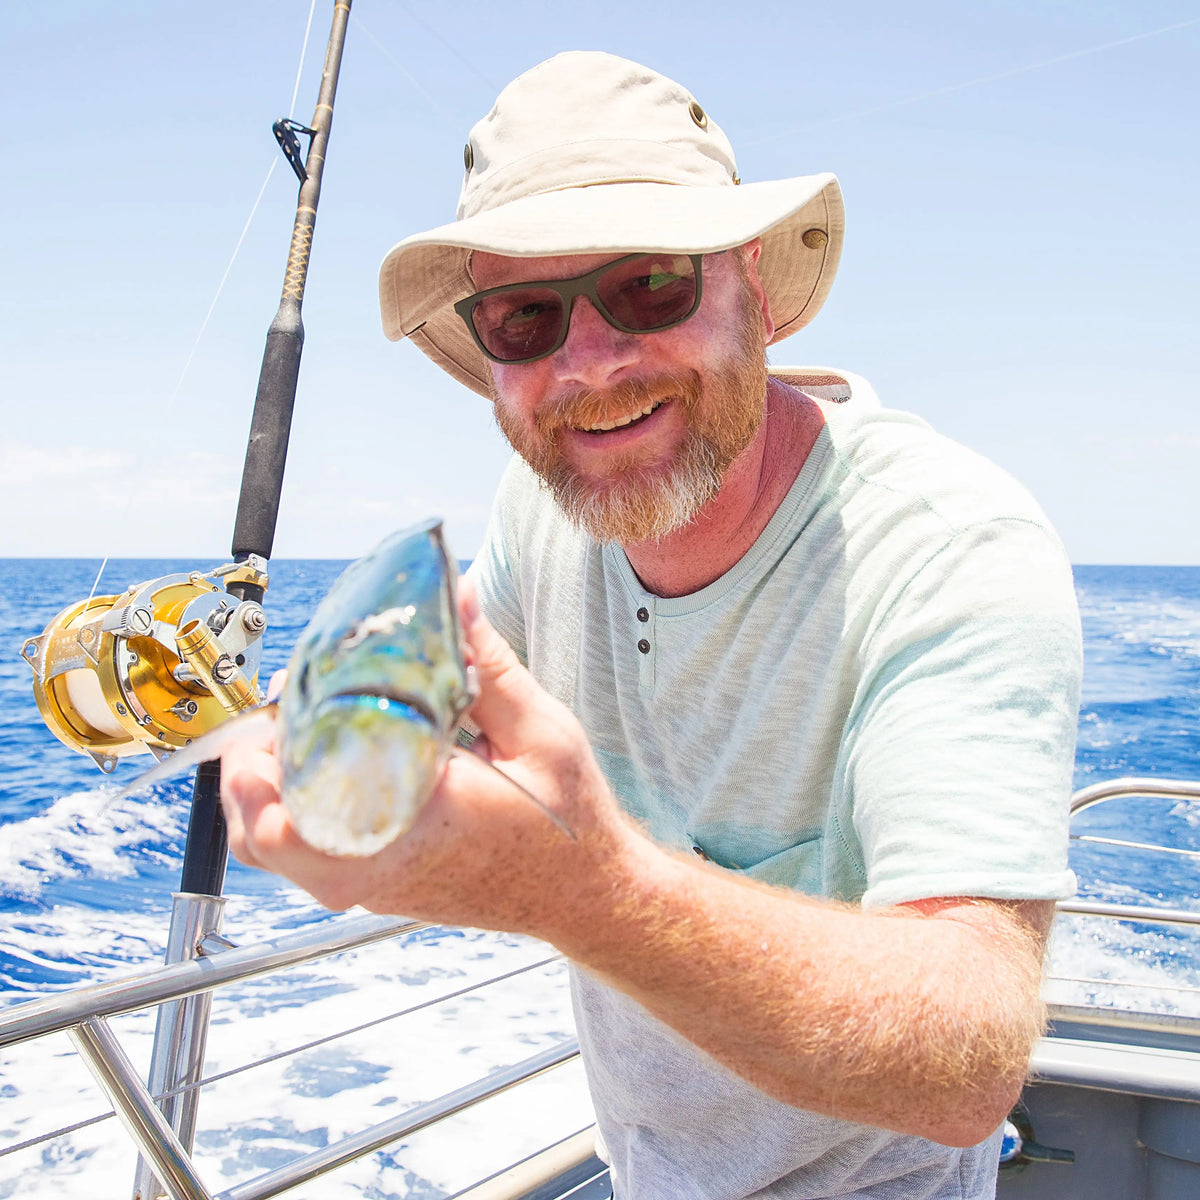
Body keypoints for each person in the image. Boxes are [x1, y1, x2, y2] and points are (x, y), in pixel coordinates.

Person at [220, 52, 1082, 1199]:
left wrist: (588, 887)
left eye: (649, 290)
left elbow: (965, 1054)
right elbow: (456, 721)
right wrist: (311, 743)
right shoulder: (540, 508)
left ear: (756, 293)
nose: (591, 365)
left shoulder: (950, 545)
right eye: (526, 315)